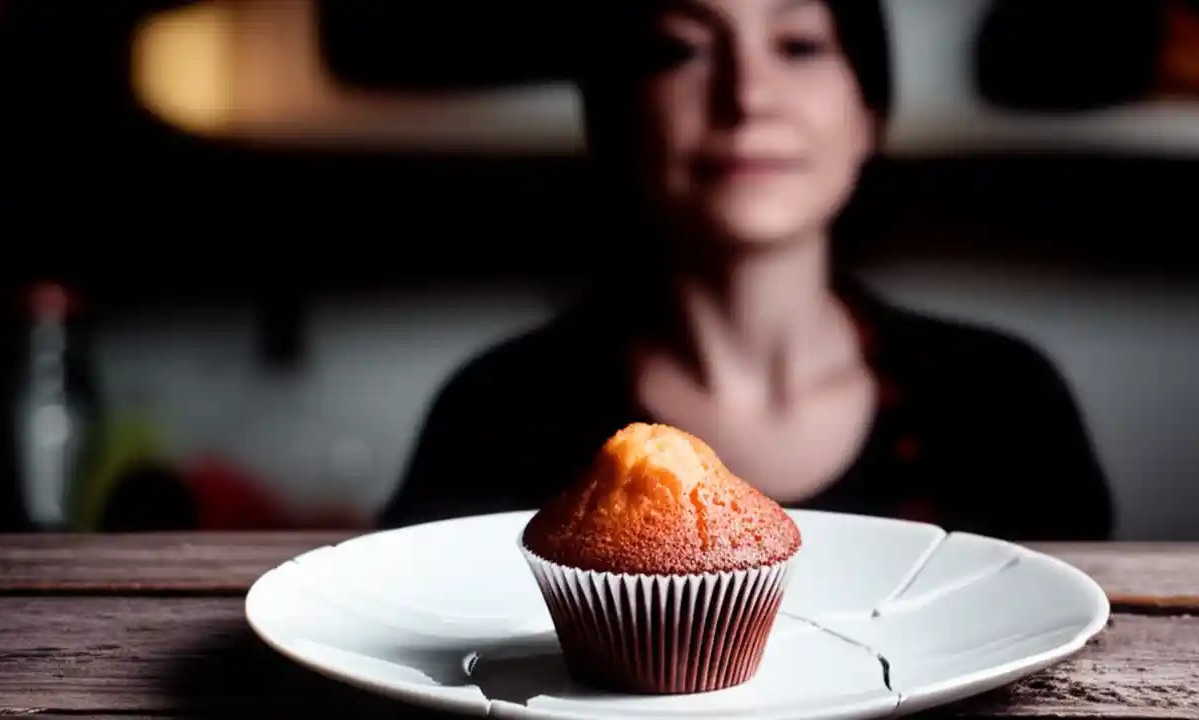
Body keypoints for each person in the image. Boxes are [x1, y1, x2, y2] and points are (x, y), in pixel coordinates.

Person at [380, 0, 1114, 540]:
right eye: (683, 49)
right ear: (611, 116)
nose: (747, 96)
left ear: (869, 113)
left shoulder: (1007, 404)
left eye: (797, 45)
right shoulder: (494, 415)